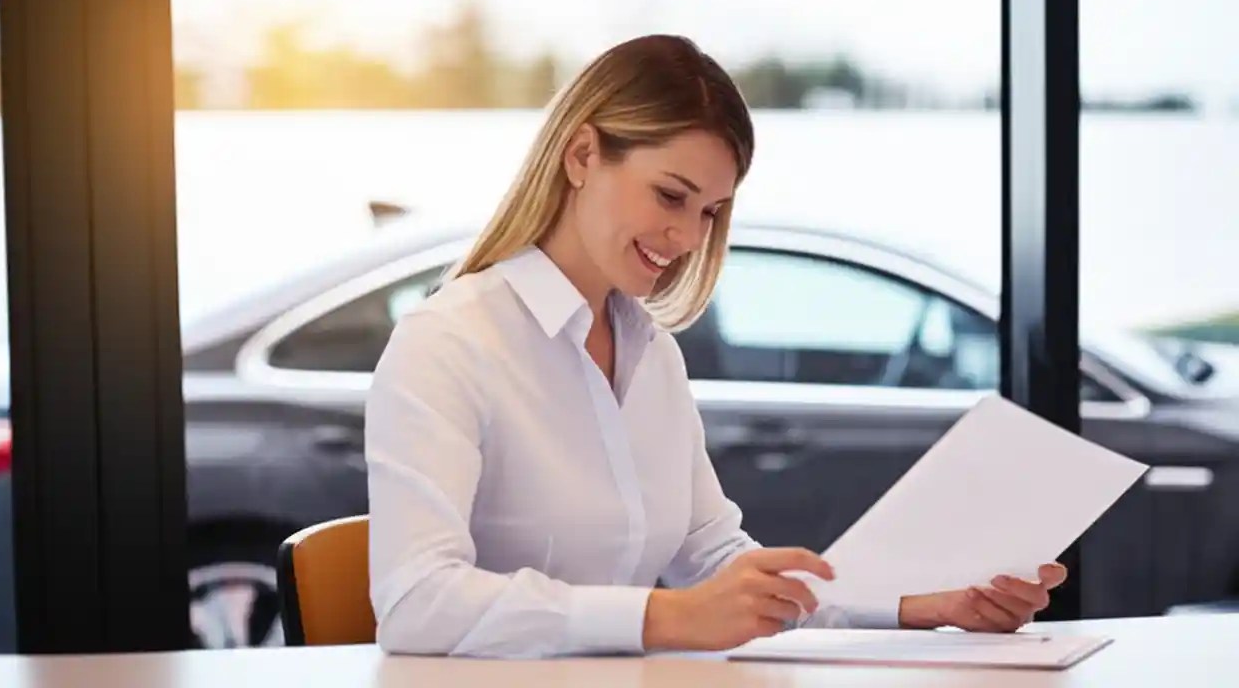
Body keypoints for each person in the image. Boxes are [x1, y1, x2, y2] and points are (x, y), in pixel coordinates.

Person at [364, 34, 1066, 658]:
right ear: (582, 155)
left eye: (710, 212)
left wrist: (923, 609)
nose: (690, 238)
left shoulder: (650, 352)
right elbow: (416, 602)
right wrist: (664, 618)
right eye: (671, 196)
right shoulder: (449, 342)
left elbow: (714, 560)